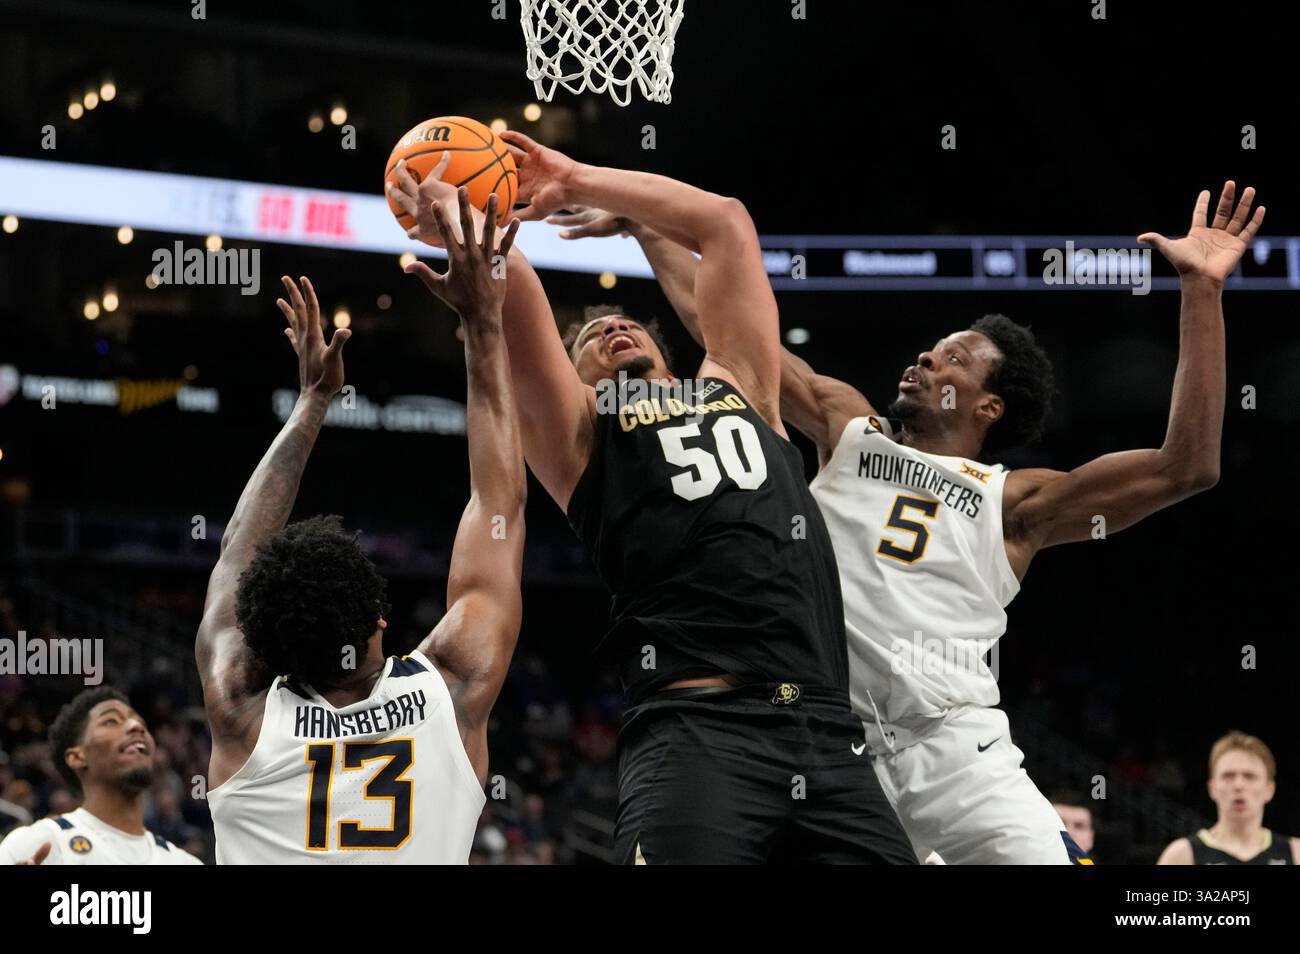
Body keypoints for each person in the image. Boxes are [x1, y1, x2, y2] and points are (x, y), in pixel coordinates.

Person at [551, 181, 1262, 865]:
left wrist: (1201, 292)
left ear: (988, 408)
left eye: (954, 359)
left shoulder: (1015, 502)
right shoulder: (849, 427)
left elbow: (1185, 466)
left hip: (959, 755)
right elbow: (733, 333)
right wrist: (648, 232)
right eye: (932, 347)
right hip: (833, 751)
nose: (926, 356)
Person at [388, 138, 917, 866]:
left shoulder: (744, 390)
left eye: (623, 322)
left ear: (666, 348)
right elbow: (510, 289)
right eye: (586, 339)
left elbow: (725, 223)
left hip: (827, 730)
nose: (609, 326)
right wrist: (456, 200)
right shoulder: (580, 432)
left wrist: (578, 179)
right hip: (697, 730)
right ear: (575, 379)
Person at [198, 186, 526, 863]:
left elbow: (237, 552)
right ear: (379, 615)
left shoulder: (241, 710)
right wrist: (483, 323)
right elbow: (497, 508)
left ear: (265, 637)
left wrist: (311, 405)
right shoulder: (452, 688)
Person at [0, 687, 201, 865]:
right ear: (77, 757)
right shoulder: (40, 843)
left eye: (141, 723)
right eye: (111, 721)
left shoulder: (183, 861)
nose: (136, 727)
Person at [1158, 731, 1297, 865]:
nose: (1238, 785)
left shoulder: (1295, 853)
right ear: (1212, 788)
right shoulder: (1182, 855)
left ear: (1269, 789)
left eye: (1249, 776)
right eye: (1228, 776)